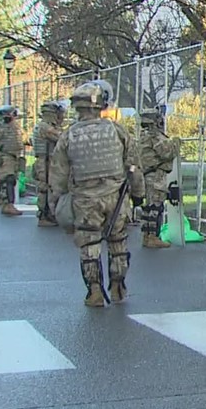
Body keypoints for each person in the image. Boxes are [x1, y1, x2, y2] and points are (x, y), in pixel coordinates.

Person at [49, 80, 144, 307]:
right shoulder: (117, 130)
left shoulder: (68, 136)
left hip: (85, 199)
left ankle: (94, 292)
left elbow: (58, 175)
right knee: (118, 242)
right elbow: (133, 165)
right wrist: (138, 194)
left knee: (89, 244)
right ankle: (118, 287)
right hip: (116, 197)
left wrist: (56, 203)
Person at [137, 108, 181, 248]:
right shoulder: (154, 137)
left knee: (148, 207)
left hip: (147, 174)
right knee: (155, 206)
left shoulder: (143, 136)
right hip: (155, 175)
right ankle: (152, 237)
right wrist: (176, 143)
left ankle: (147, 236)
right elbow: (166, 153)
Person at [31, 101, 65, 226]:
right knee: (45, 188)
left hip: (48, 161)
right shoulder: (45, 127)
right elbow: (62, 138)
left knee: (51, 188)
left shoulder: (45, 126)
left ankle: (49, 214)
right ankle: (44, 215)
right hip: (44, 162)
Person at [0, 105, 25, 216]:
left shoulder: (16, 126)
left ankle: (4, 201)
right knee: (8, 179)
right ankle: (9, 205)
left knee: (11, 180)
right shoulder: (0, 127)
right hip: (5, 156)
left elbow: (21, 138)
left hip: (15, 157)